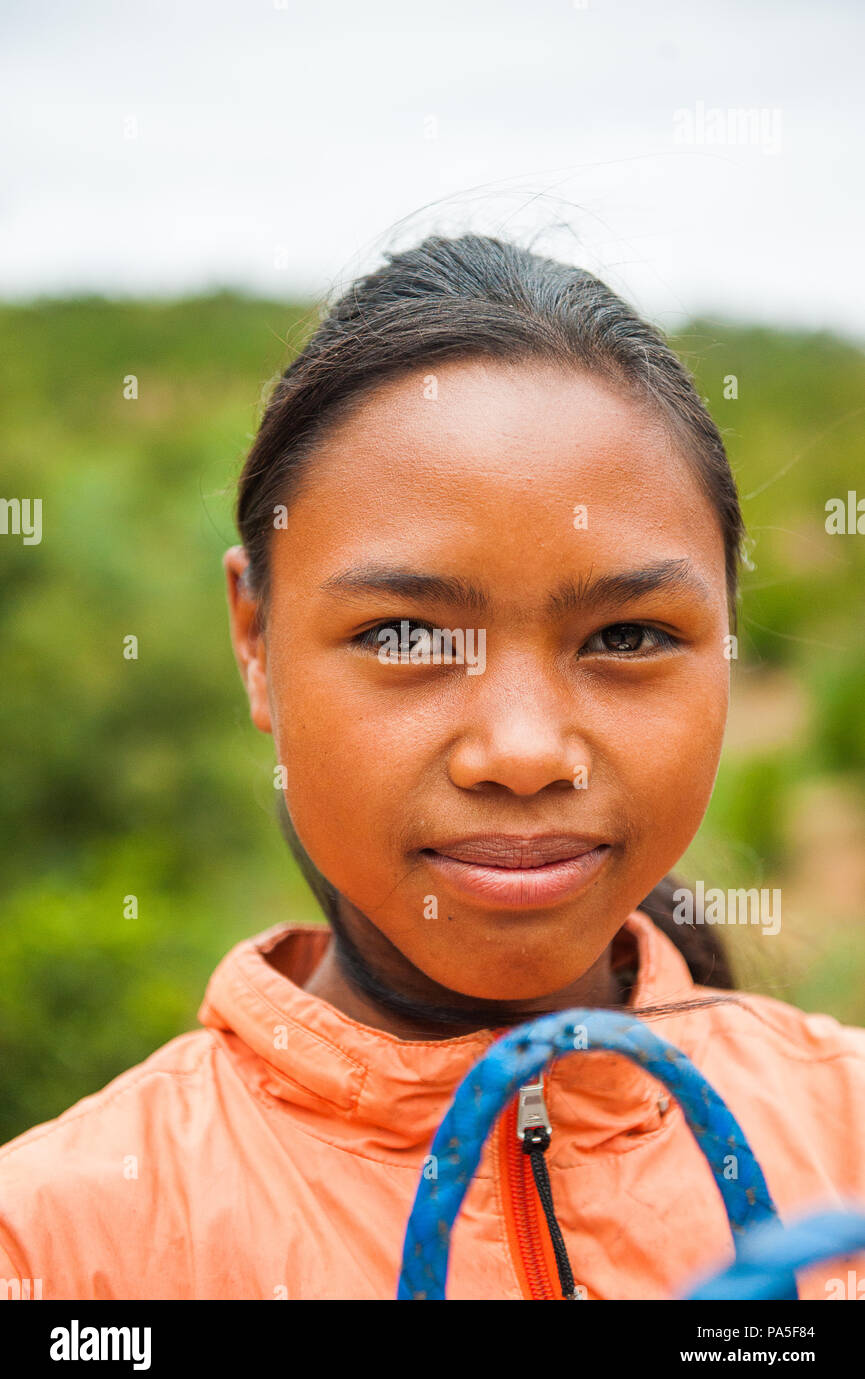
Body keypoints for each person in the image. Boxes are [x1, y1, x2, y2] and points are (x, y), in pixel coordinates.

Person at [1, 234, 863, 1301]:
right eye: (407, 635)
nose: (523, 752)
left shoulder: (846, 1140)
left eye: (627, 636)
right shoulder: (59, 1249)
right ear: (254, 641)